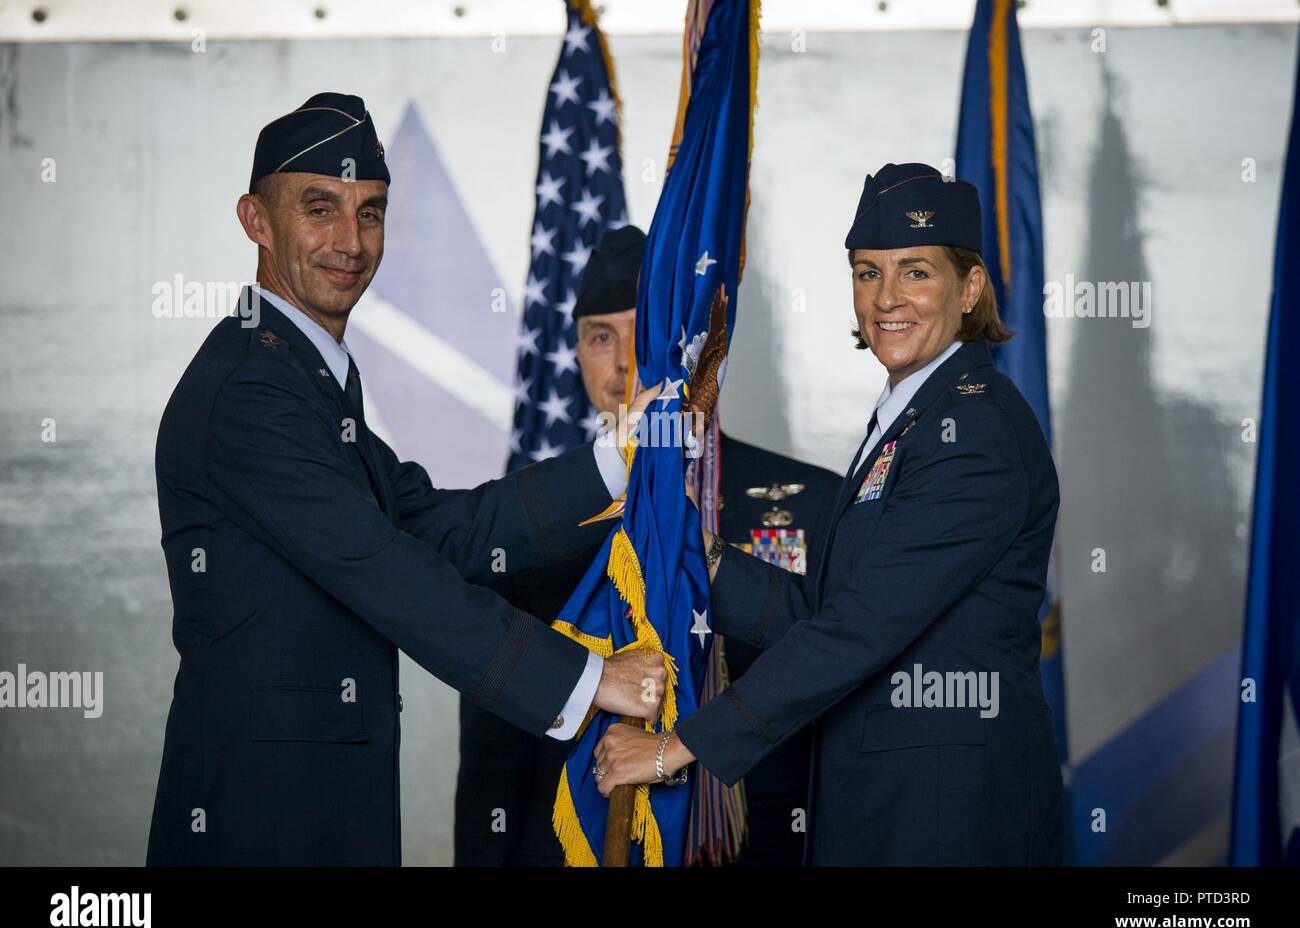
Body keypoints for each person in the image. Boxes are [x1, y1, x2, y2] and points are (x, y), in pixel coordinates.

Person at [146, 93, 664, 866]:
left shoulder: (300, 378)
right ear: (256, 220)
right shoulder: (252, 390)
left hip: (310, 805)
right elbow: (391, 575)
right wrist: (591, 681)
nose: (349, 241)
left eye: (371, 213)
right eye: (319, 208)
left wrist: (612, 460)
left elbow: (440, 530)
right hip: (264, 817)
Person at [594, 163, 1064, 866]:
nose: (886, 298)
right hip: (890, 803)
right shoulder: (914, 417)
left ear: (970, 289)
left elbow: (859, 628)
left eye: (916, 272)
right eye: (868, 272)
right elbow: (830, 610)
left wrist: (675, 749)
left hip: (946, 816)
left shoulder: (975, 430)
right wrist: (698, 553)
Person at [454, 226, 839, 866]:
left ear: (691, 347)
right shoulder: (525, 528)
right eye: (601, 337)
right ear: (575, 353)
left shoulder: (811, 504)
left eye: (647, 333)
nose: (627, 362)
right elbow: (495, 760)